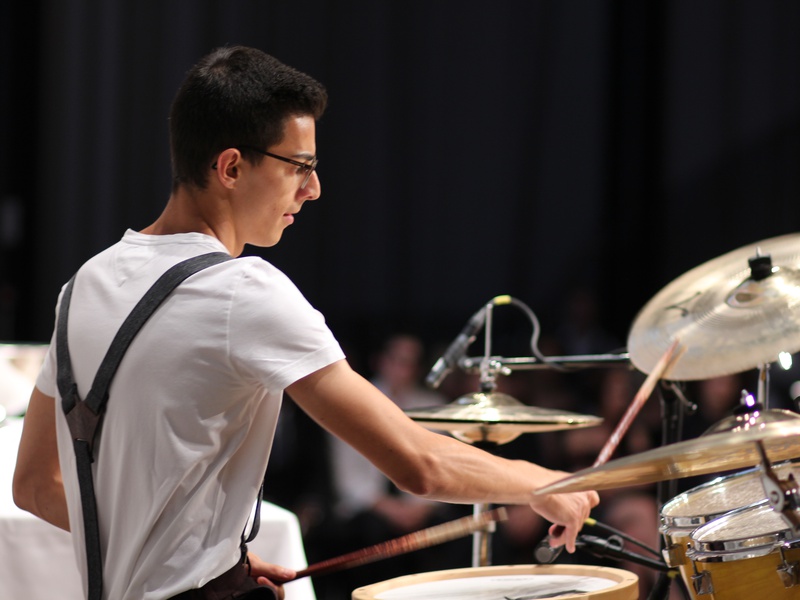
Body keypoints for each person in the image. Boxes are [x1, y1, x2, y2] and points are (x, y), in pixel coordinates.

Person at [12, 45, 599, 600]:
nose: (313, 190)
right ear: (231, 167)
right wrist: (544, 484)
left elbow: (35, 487)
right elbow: (419, 464)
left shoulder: (84, 285)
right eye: (299, 166)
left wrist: (204, 558)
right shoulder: (243, 291)